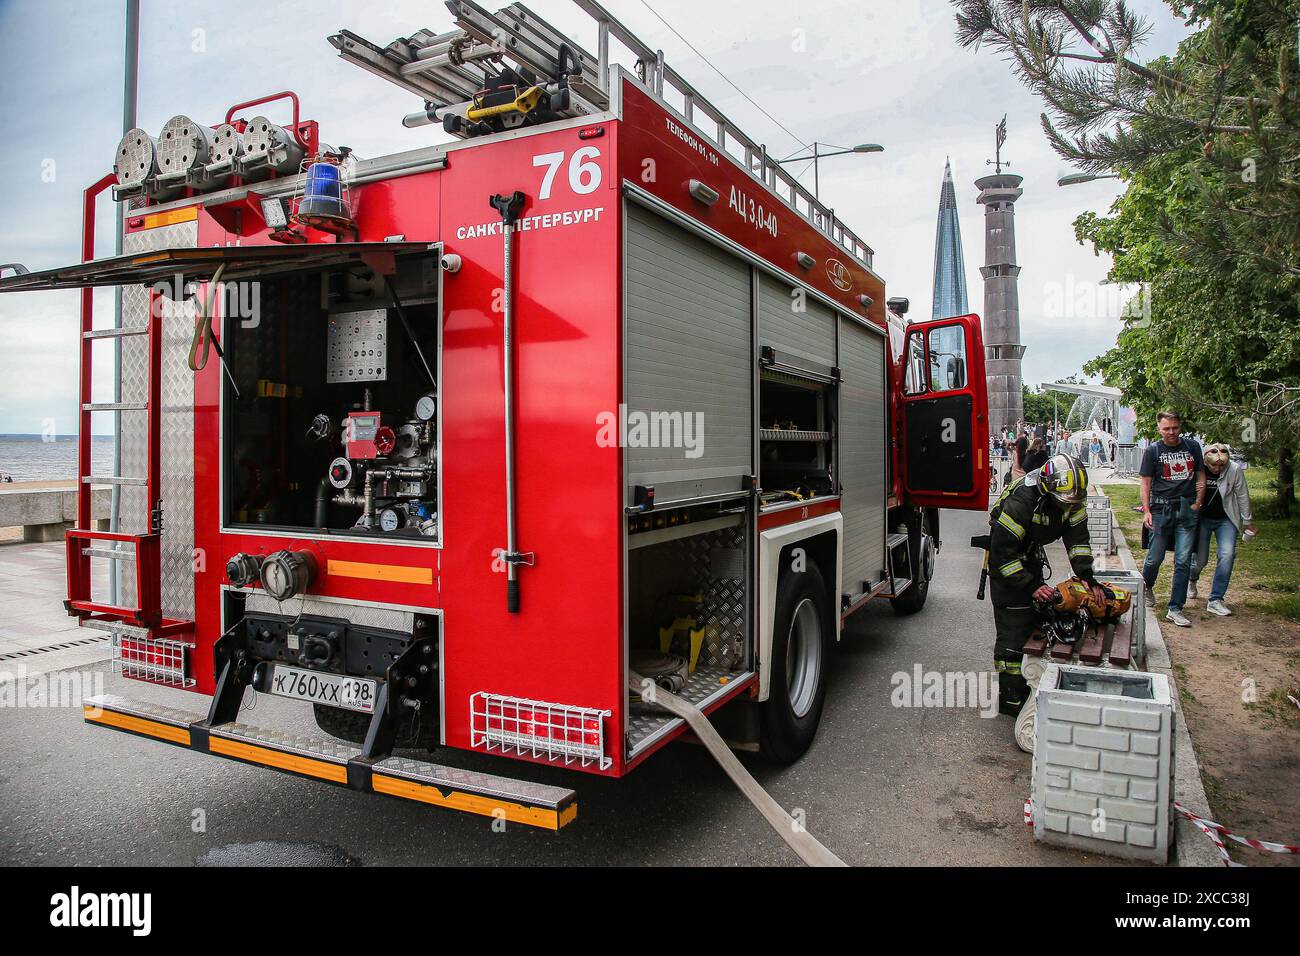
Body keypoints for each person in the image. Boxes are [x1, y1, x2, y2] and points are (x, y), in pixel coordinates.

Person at [986, 454, 1104, 716]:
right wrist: (1029, 586)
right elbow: (1002, 555)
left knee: (1033, 621)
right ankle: (1011, 697)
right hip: (1006, 562)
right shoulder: (1022, 502)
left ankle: (1029, 685)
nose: (1067, 507)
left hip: (1029, 557)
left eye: (1072, 502)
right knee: (1013, 632)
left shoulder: (1071, 498)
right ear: (1046, 489)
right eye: (1063, 502)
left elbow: (1078, 540)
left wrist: (1087, 576)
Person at [1139, 411, 1206, 628]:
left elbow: (1200, 475)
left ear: (1180, 426)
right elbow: (1146, 482)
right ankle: (1147, 586)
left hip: (1186, 510)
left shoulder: (1192, 447)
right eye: (1166, 428)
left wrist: (1198, 503)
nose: (1171, 432)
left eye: (1175, 428)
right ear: (1159, 429)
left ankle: (1175, 608)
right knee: (1154, 558)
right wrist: (1147, 510)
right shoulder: (1153, 451)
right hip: (1160, 510)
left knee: (1183, 560)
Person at [1188, 443, 1256, 615]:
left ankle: (1216, 599)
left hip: (1226, 518)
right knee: (1200, 560)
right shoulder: (1198, 468)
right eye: (1213, 465)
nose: (1217, 468)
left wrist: (1248, 521)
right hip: (1203, 519)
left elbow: (1242, 495)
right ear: (1205, 460)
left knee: (1227, 555)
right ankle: (1192, 578)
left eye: (1221, 465)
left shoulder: (1234, 470)